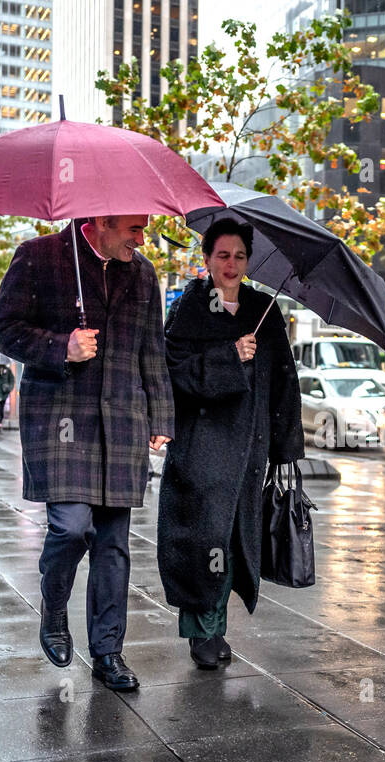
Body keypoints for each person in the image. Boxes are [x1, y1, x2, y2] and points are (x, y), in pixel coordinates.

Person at [0, 214, 174, 691]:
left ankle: (108, 651)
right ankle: (53, 605)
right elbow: (3, 328)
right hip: (61, 419)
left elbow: (152, 350)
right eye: (134, 228)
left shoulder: (144, 273)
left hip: (124, 421)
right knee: (71, 527)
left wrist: (161, 418)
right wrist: (60, 346)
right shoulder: (40, 256)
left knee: (113, 545)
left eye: (144, 229)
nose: (141, 238)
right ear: (102, 221)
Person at [157, 218, 305, 670]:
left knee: (234, 541)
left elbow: (284, 381)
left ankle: (215, 626)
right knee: (202, 538)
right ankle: (201, 632)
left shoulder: (264, 309)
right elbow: (173, 372)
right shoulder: (189, 308)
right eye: (223, 255)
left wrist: (285, 450)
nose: (231, 264)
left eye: (240, 256)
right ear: (206, 259)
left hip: (248, 452)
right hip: (201, 450)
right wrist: (228, 356)